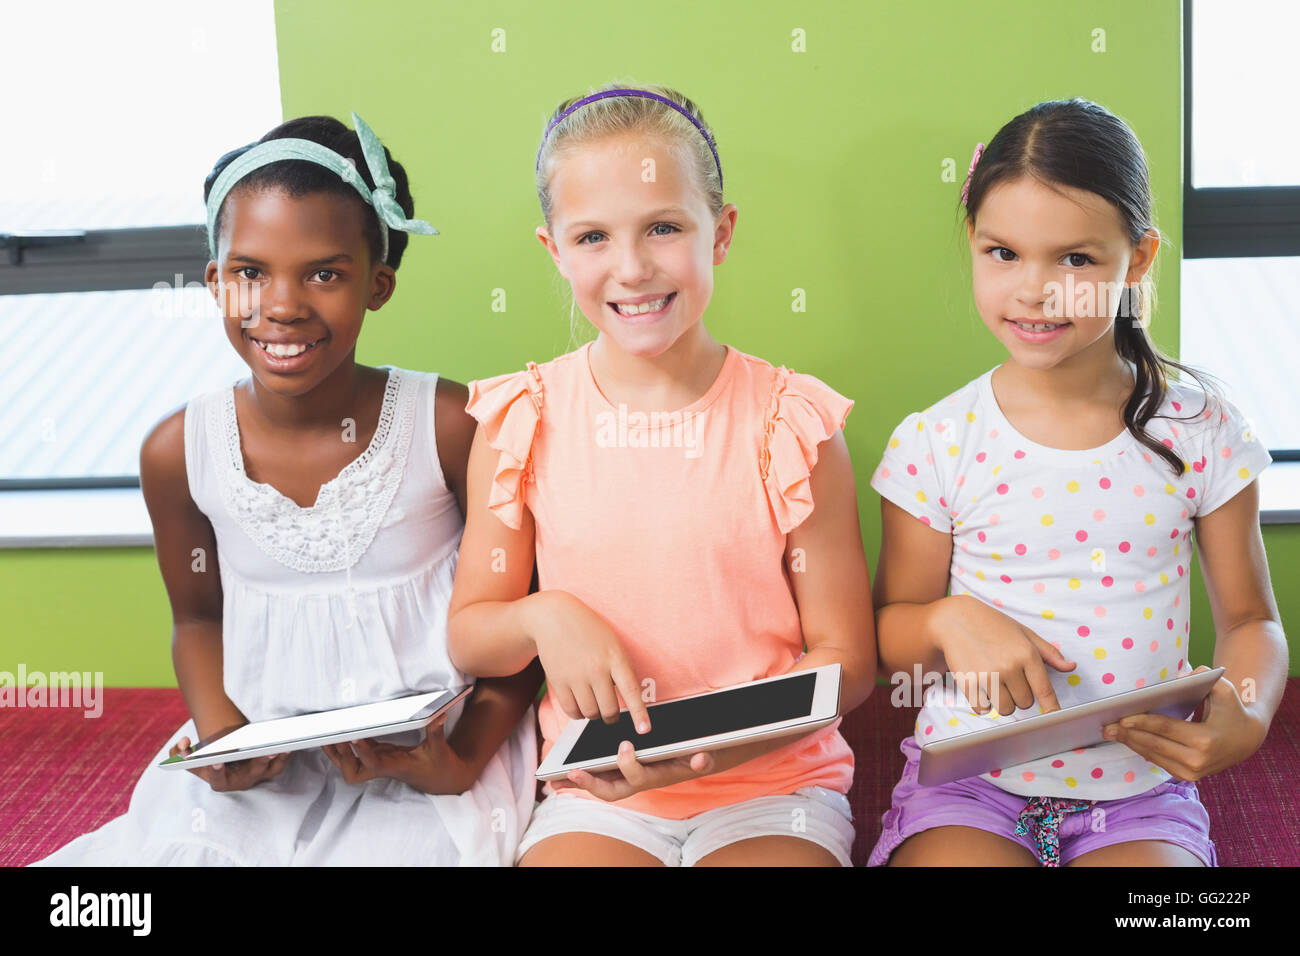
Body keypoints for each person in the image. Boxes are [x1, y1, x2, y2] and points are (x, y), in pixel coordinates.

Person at [33, 112, 540, 866]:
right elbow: (198, 617)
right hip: (266, 766)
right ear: (215, 282)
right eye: (250, 272)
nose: (282, 305)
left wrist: (462, 757)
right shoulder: (178, 452)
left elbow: (516, 627)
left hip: (431, 758)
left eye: (325, 273)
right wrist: (216, 730)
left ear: (379, 284)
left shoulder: (449, 425)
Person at [447, 84, 877, 867]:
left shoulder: (793, 422)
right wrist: (544, 615)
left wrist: (721, 742)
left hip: (775, 791)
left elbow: (846, 658)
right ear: (553, 250)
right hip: (597, 798)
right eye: (593, 238)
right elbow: (474, 634)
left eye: (664, 228)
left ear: (721, 233)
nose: (632, 268)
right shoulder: (522, 420)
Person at [868, 98, 1288, 867]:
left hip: (1140, 793)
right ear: (972, 242)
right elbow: (891, 635)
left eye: (1075, 259)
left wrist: (1249, 712)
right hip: (969, 789)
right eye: (1003, 253)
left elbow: (1251, 620)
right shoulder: (935, 442)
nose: (1034, 290)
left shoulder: (1201, 430)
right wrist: (946, 620)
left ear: (1138, 259)